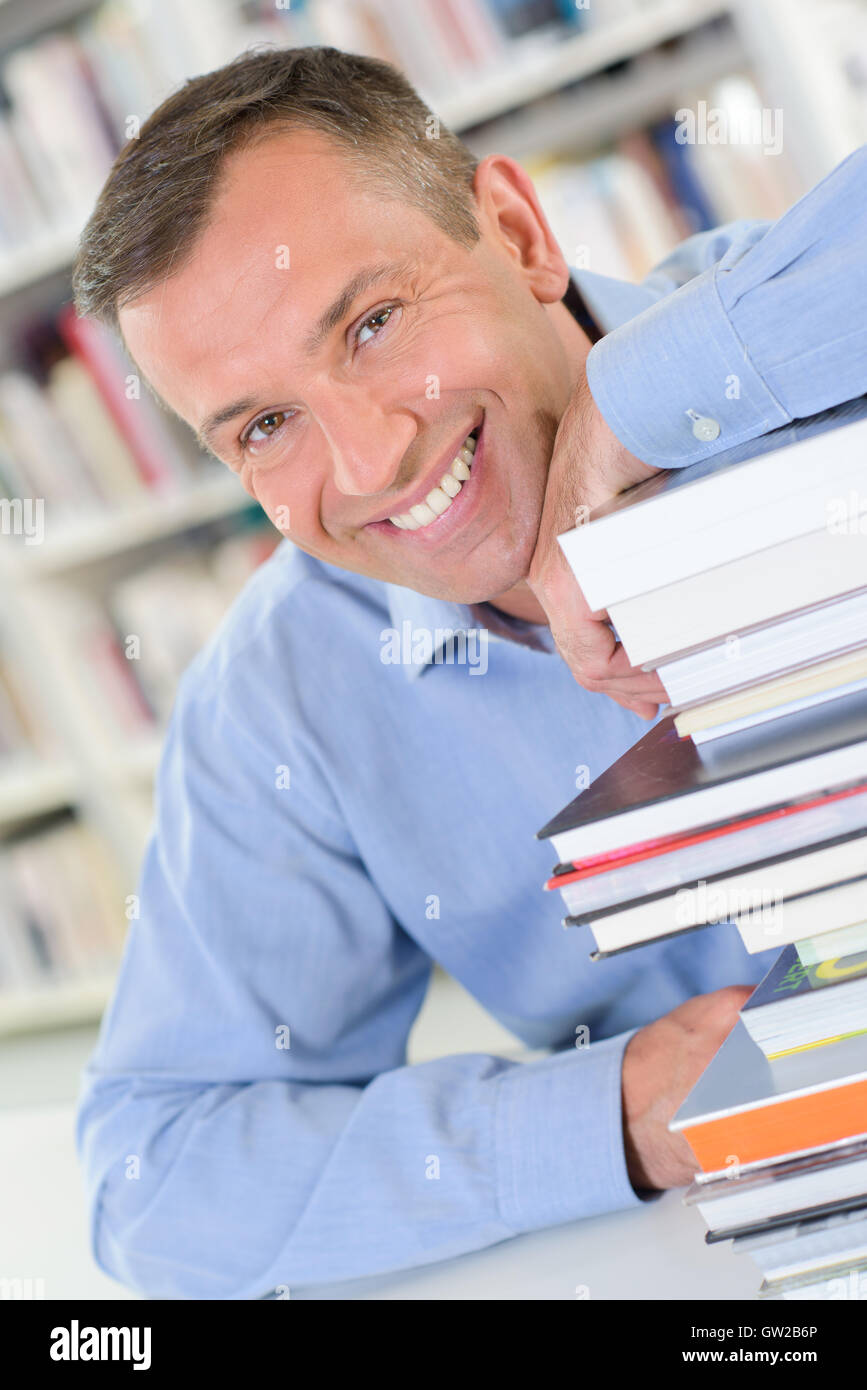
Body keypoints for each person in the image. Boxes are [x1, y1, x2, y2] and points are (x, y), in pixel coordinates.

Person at [72, 46, 867, 1298]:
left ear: (517, 230)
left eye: (374, 323)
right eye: (264, 426)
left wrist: (648, 397)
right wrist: (614, 1115)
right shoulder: (283, 698)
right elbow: (154, 1175)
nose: (374, 458)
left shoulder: (804, 339)